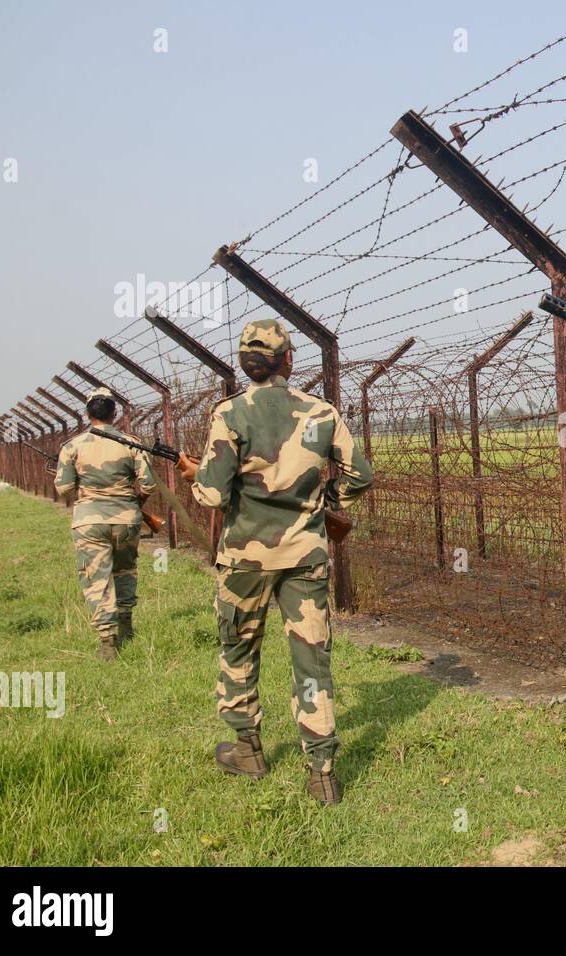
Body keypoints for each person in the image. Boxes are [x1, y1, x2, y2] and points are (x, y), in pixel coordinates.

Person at [176, 318, 372, 805]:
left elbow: (212, 494)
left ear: (247, 364)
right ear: (288, 360)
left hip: (245, 560)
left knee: (239, 650)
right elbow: (360, 476)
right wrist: (325, 496)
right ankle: (323, 772)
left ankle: (247, 751)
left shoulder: (229, 414)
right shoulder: (320, 412)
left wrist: (194, 477)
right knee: (311, 659)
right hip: (305, 556)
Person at [54, 388, 158, 661]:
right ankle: (126, 624)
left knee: (96, 578)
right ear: (114, 413)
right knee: (125, 570)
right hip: (126, 518)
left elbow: (64, 487)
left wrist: (85, 494)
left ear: (88, 414)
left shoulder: (72, 447)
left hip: (89, 521)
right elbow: (148, 483)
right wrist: (135, 501)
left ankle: (107, 641)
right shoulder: (131, 443)